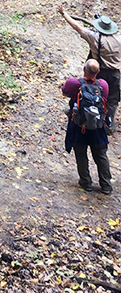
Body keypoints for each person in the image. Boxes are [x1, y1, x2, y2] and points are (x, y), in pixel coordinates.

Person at [58, 4, 121, 132]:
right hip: (115, 73)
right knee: (112, 100)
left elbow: (77, 27)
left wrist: (63, 13)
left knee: (88, 92)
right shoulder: (119, 38)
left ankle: (82, 115)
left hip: (99, 72)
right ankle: (107, 124)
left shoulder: (94, 38)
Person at [62, 59, 112, 194]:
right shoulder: (103, 85)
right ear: (98, 72)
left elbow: (64, 91)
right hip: (97, 126)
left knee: (81, 154)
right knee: (101, 155)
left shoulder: (74, 84)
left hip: (79, 125)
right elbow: (105, 99)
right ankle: (106, 185)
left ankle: (86, 182)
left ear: (84, 69)